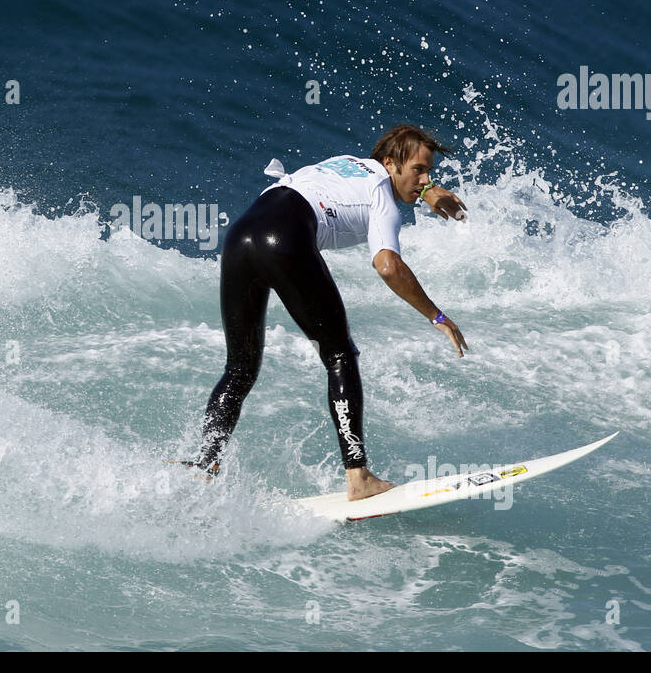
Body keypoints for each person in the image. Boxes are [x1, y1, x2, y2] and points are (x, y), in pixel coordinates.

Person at [189, 123, 469, 501]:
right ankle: (359, 478)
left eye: (429, 171)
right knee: (339, 355)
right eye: (419, 169)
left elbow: (392, 179)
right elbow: (388, 265)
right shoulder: (380, 193)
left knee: (239, 368)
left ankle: (204, 465)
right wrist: (438, 317)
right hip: (285, 239)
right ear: (390, 164)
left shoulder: (347, 165)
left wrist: (427, 190)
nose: (425, 177)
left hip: (242, 236)